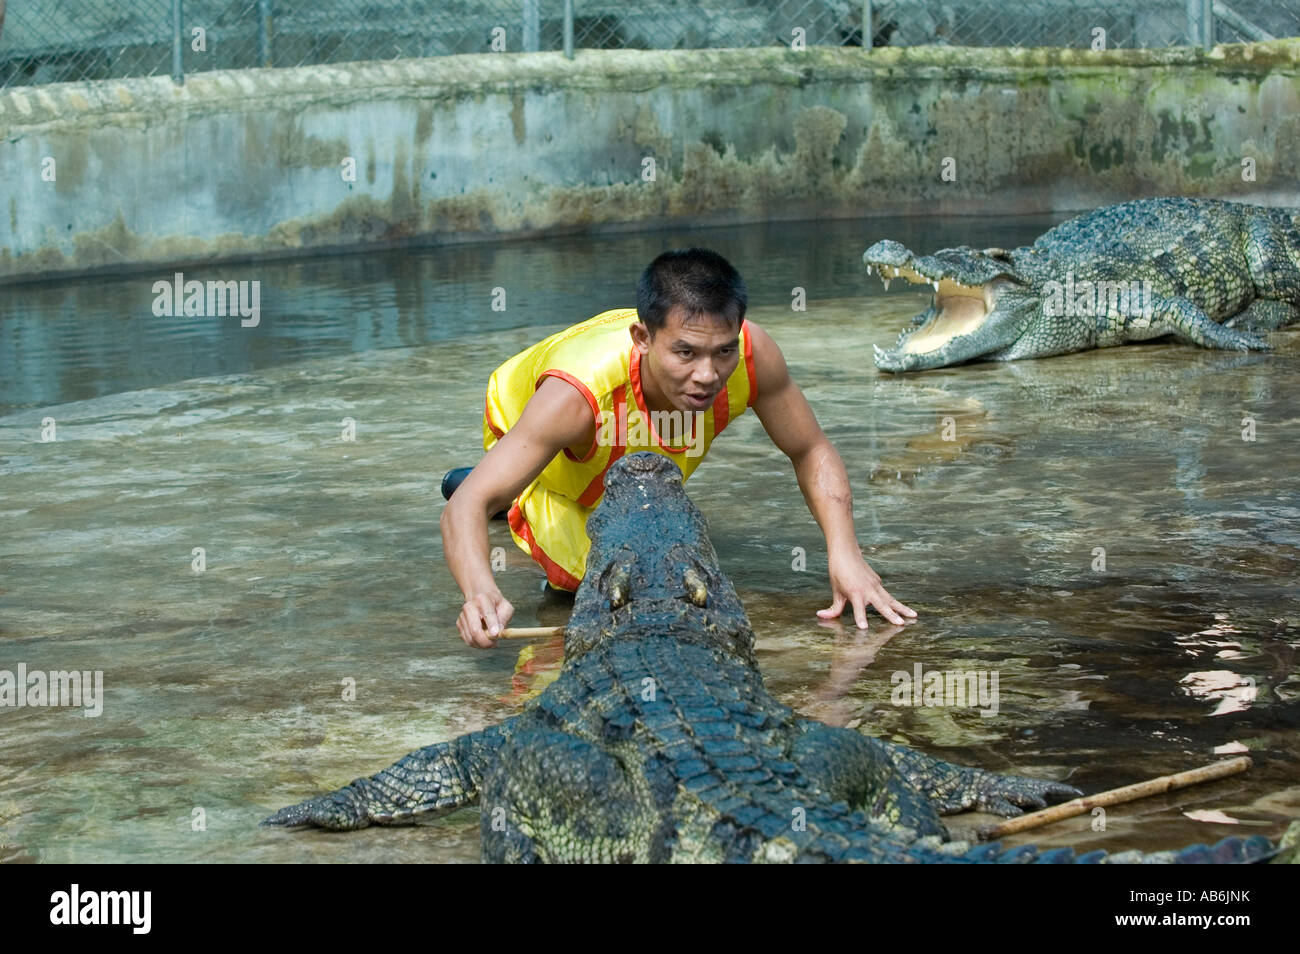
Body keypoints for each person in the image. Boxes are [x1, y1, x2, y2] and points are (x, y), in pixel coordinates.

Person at [441, 248, 916, 648]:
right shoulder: (574, 398)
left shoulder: (752, 354)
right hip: (530, 420)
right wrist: (480, 592)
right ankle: (515, 488)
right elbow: (465, 506)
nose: (708, 374)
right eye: (686, 352)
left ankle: (506, 480)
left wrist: (845, 552)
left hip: (625, 448)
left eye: (723, 351)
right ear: (643, 340)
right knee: (585, 578)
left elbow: (810, 448)